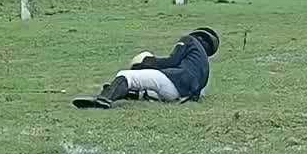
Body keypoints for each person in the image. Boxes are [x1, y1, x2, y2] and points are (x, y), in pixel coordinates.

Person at [73, 27, 220, 109]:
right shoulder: (204, 64)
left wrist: (146, 62)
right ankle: (123, 92)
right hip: (181, 95)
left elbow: (172, 61)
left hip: (175, 81)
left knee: (126, 76)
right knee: (149, 89)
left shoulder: (189, 40)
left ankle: (104, 99)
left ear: (197, 35)